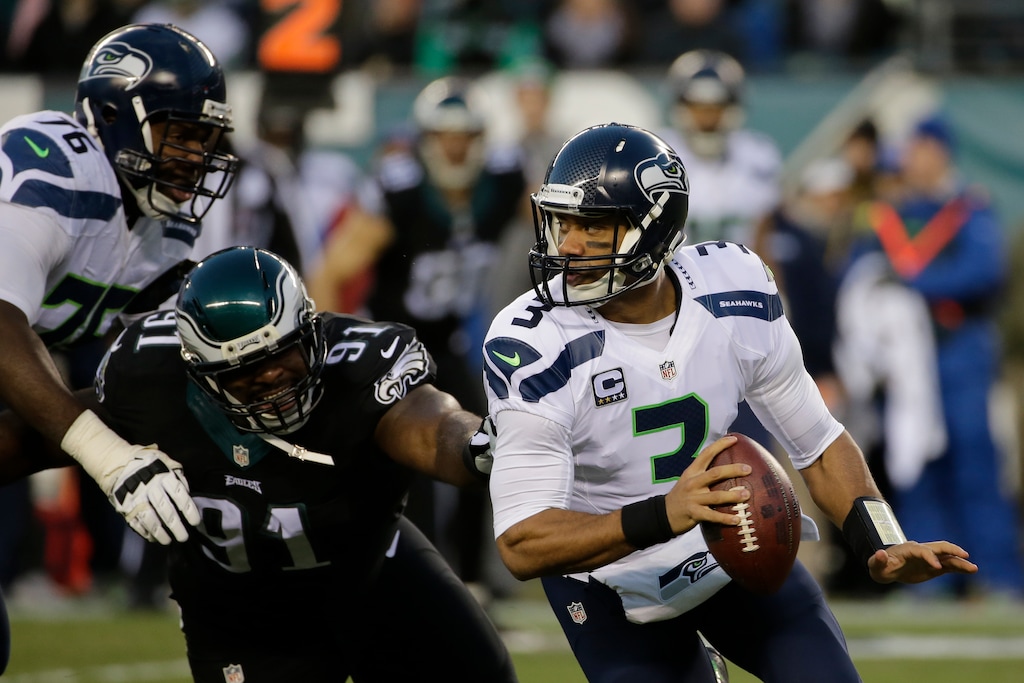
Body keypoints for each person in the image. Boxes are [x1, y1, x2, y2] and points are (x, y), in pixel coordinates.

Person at [481, 122, 978, 682]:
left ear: (655, 227)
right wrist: (663, 514)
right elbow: (523, 542)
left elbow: (817, 442)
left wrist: (881, 540)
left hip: (729, 541)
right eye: (562, 222)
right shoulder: (536, 341)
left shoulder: (732, 289)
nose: (569, 246)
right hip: (606, 580)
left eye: (593, 226)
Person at [0, 246, 517, 682]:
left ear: (310, 332)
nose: (272, 377)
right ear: (199, 373)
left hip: (375, 573)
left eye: (282, 353)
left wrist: (485, 447)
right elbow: (29, 440)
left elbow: (435, 430)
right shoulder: (150, 383)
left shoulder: (361, 365)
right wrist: (103, 455)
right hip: (240, 617)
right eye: (245, 369)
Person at [0, 23, 239, 671]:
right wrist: (109, 458)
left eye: (206, 139)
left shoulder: (163, 230)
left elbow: (153, 377)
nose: (196, 156)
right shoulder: (57, 163)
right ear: (113, 116)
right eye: (180, 133)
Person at [307, 75, 526, 597]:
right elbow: (330, 273)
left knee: (485, 445)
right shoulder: (401, 190)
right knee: (417, 464)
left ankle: (470, 579)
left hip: (449, 341)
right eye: (445, 136)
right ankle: (420, 582)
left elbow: (560, 226)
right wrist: (333, 356)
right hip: (393, 346)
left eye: (466, 136)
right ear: (425, 139)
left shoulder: (504, 181)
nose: (455, 147)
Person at [844, 114, 1024, 600]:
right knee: (914, 466)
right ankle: (926, 585)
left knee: (975, 465)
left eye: (922, 148)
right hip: (904, 362)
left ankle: (997, 579)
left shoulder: (968, 210)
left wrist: (910, 286)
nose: (913, 159)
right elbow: (858, 273)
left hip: (959, 350)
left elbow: (983, 271)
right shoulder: (889, 214)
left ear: (941, 152)